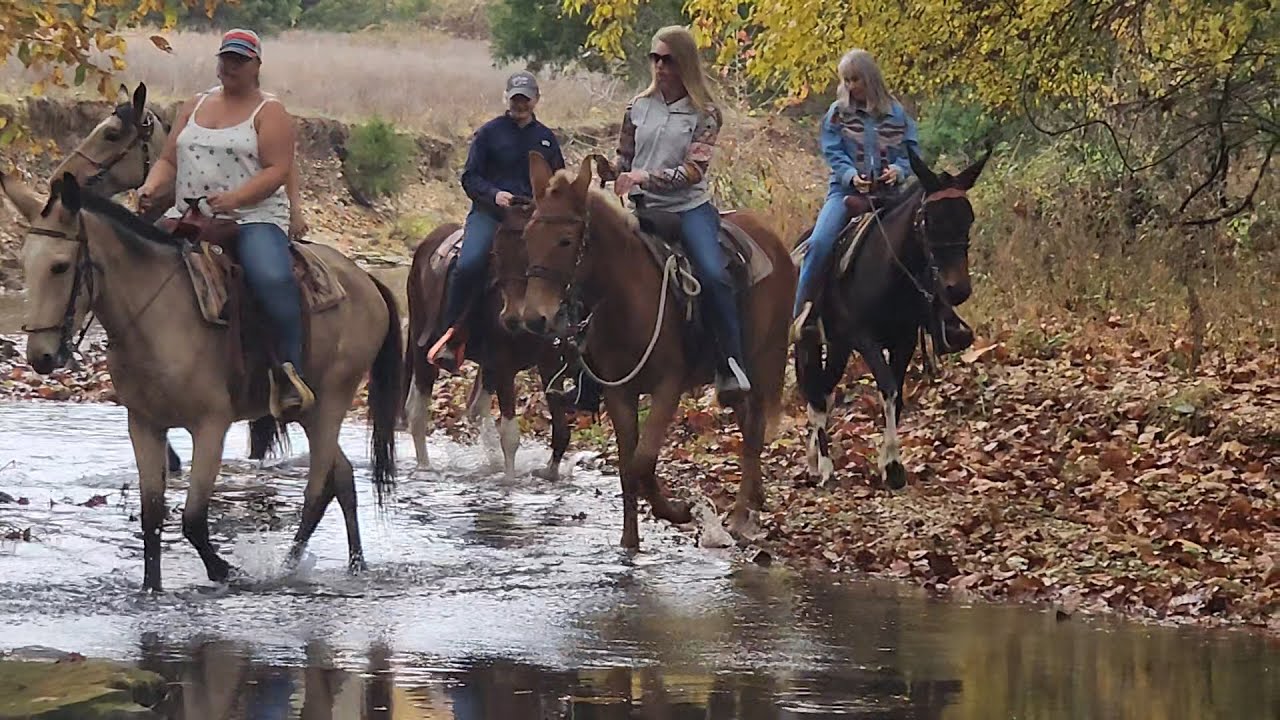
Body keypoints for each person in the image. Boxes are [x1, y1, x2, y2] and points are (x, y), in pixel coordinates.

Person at [138, 28, 313, 416]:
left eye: (239, 60)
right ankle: (134, 364)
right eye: (225, 58)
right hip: (189, 213)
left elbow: (277, 169)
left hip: (252, 216)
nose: (230, 66)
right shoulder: (194, 105)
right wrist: (152, 186)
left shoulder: (270, 111)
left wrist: (235, 199)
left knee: (271, 278)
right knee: (130, 265)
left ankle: (288, 372)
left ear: (256, 65)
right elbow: (169, 160)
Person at [604, 25, 750, 406]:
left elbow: (694, 170)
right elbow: (625, 153)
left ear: (684, 62)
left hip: (688, 209)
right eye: (655, 58)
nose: (660, 66)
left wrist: (644, 176)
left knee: (714, 275)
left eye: (668, 60)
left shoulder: (705, 113)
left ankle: (730, 363)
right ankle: (584, 377)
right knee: (591, 264)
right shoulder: (636, 106)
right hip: (641, 207)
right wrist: (613, 171)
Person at [427, 71, 566, 372]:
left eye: (525, 99)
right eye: (515, 98)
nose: (520, 105)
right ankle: (451, 334)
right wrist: (495, 195)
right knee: (468, 263)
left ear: (536, 100)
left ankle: (564, 337)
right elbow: (470, 177)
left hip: (532, 221)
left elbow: (558, 180)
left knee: (559, 262)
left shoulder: (546, 138)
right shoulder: (488, 134)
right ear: (506, 98)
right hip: (491, 215)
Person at [792, 48, 921, 338]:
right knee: (820, 242)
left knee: (923, 242)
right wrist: (851, 176)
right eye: (846, 80)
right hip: (845, 192)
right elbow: (832, 151)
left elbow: (911, 152)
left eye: (856, 80)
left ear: (870, 78)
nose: (851, 86)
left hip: (891, 194)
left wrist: (898, 171)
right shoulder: (837, 114)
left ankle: (936, 319)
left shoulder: (897, 114)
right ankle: (801, 315)